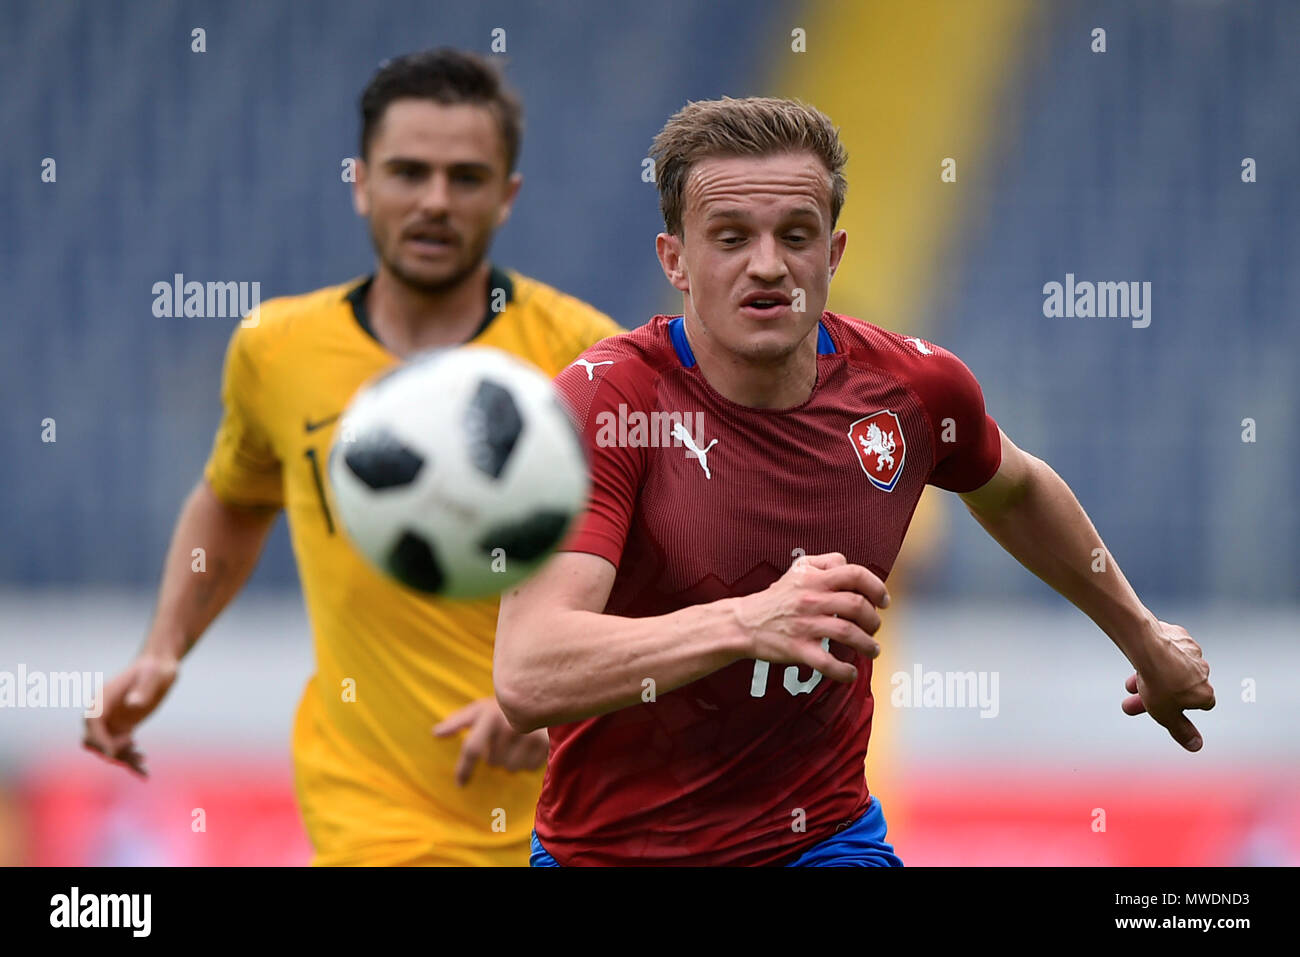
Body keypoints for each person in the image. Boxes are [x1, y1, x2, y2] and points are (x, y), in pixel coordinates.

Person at [493, 96, 1215, 867]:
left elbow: (1017, 487)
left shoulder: (912, 388)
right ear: (675, 258)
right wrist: (747, 622)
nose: (767, 264)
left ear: (832, 253)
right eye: (731, 237)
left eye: (795, 236)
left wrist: (1143, 634)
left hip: (823, 840)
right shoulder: (604, 404)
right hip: (608, 854)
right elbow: (531, 669)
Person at [82, 49, 623, 866]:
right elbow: (234, 497)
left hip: (567, 814)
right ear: (361, 181)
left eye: (466, 177)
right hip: (371, 812)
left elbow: (672, 563)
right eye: (409, 172)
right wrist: (164, 647)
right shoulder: (277, 349)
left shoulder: (587, 358)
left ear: (508, 196)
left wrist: (551, 708)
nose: (435, 201)